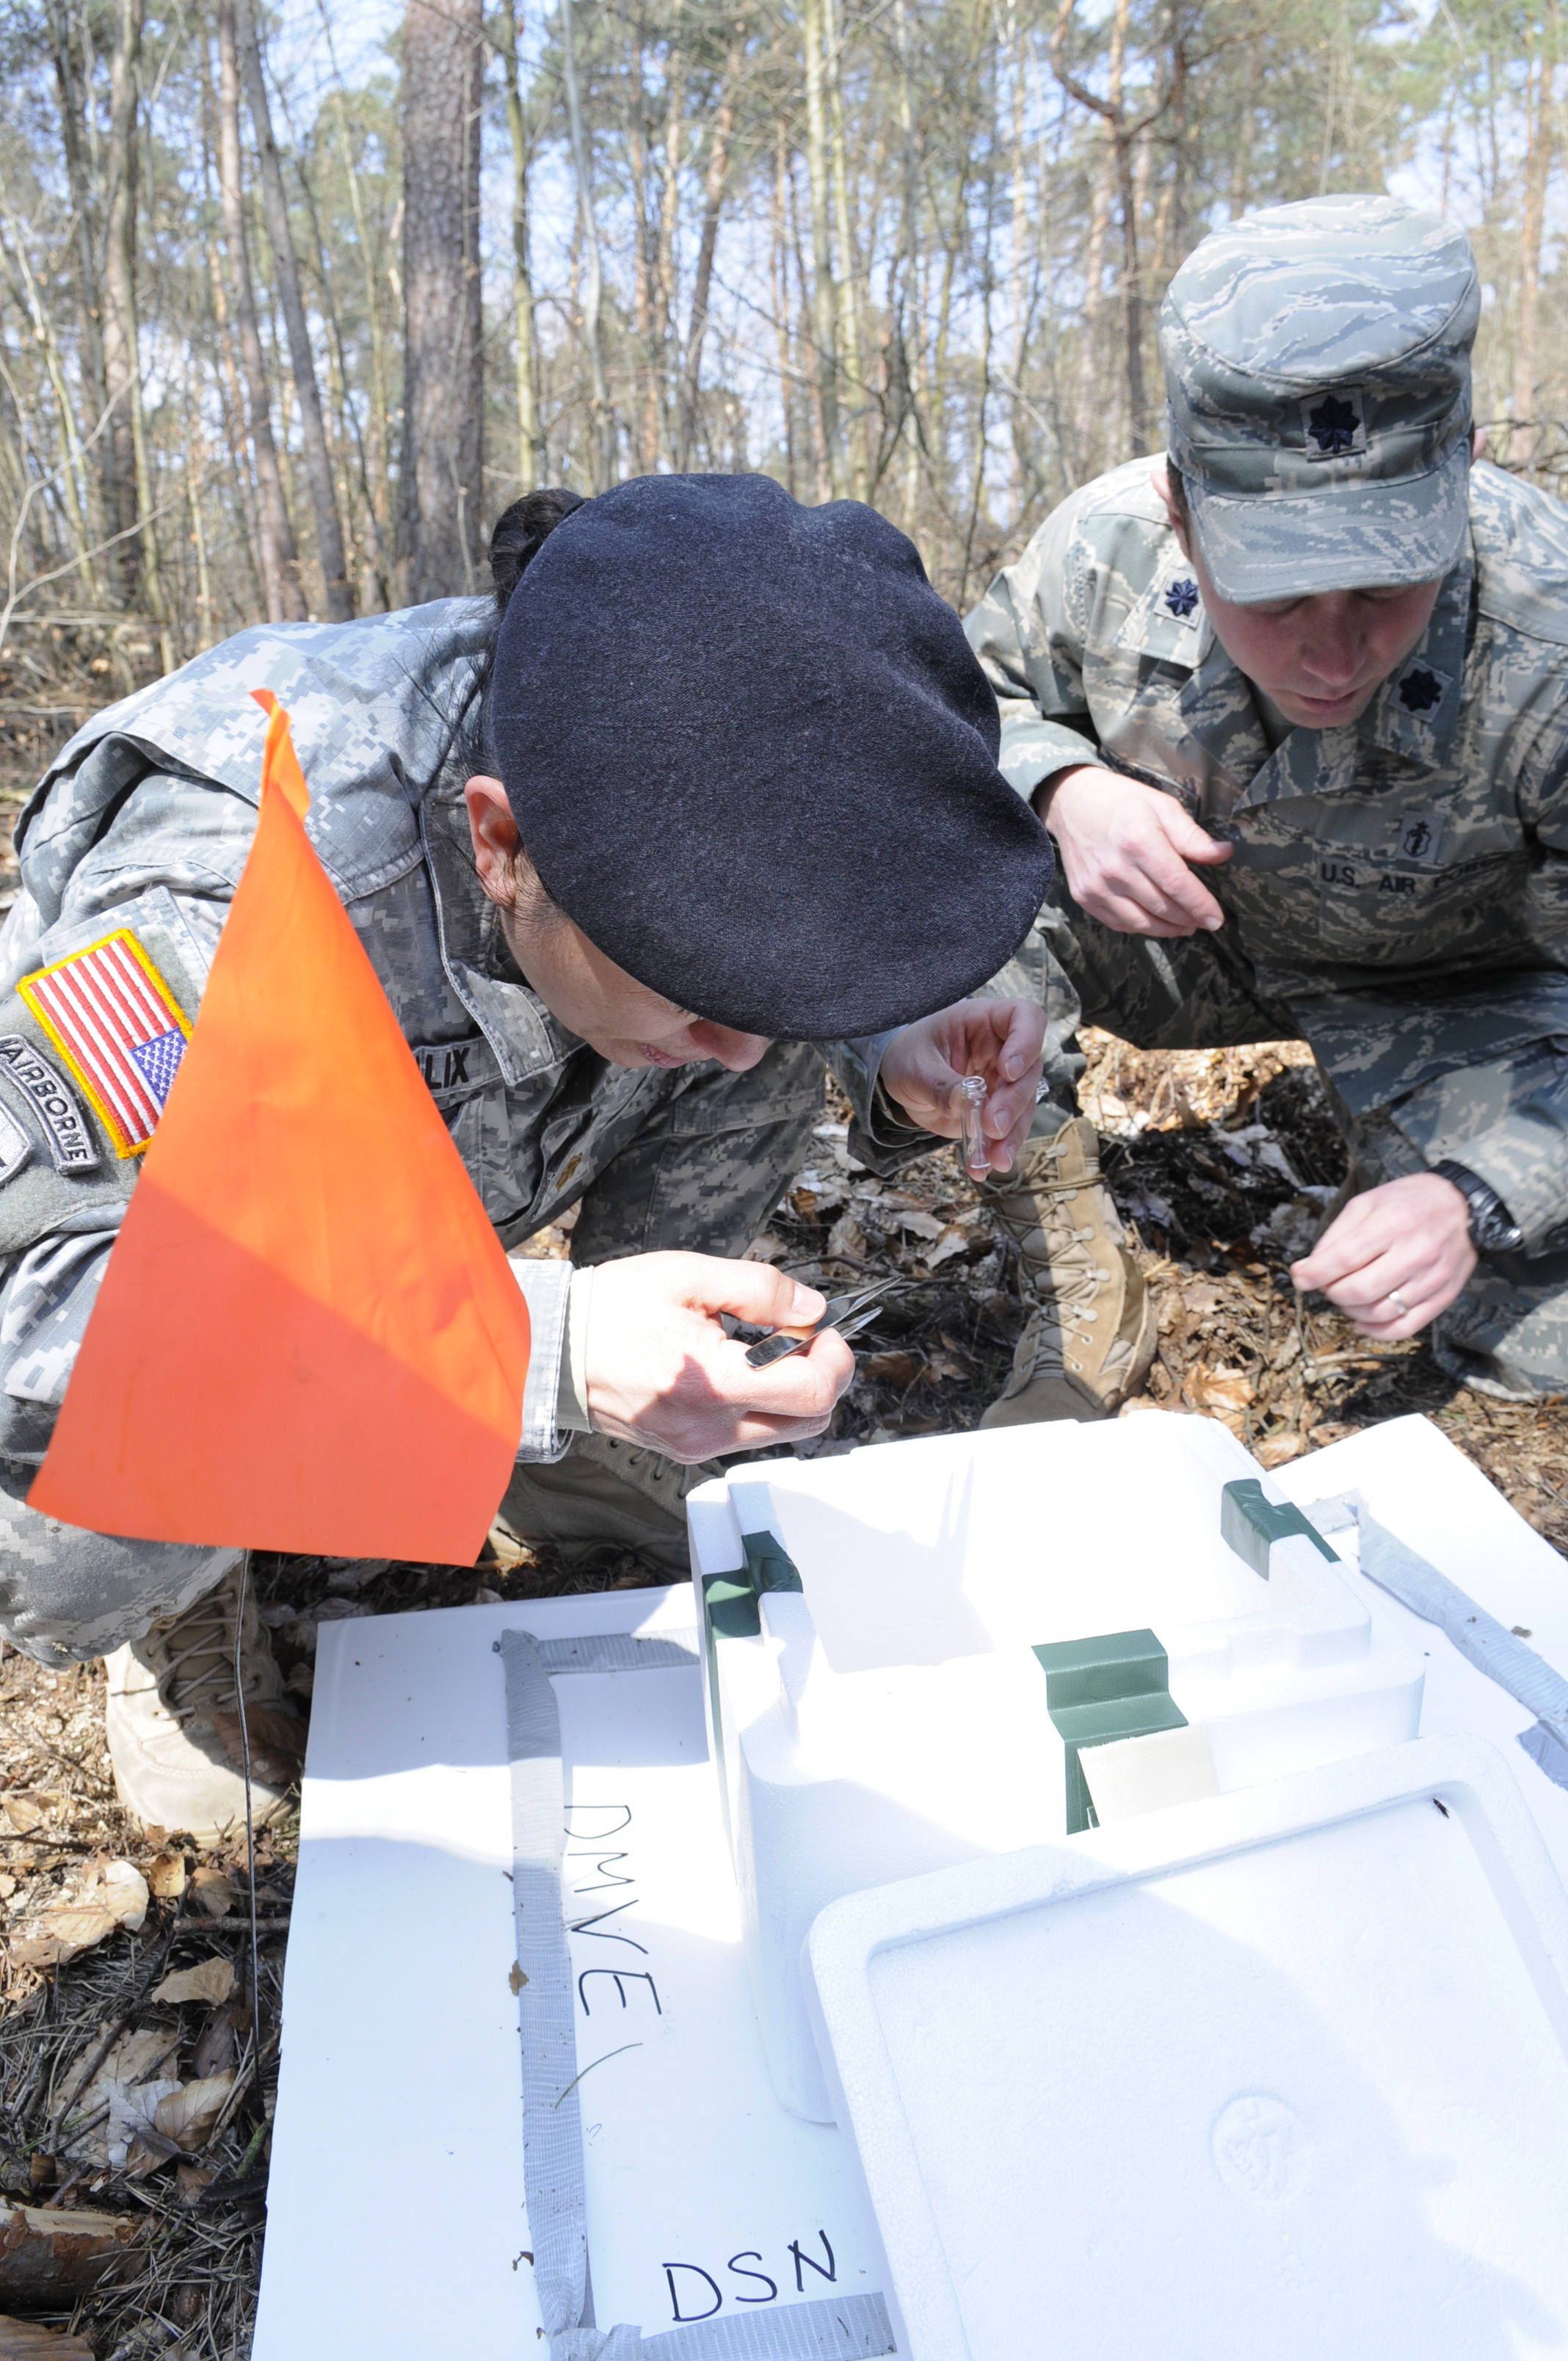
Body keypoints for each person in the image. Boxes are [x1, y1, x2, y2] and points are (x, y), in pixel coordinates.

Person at [0, 471, 1052, 1837]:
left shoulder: (691, 697)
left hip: (457, 1157)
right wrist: (521, 1349)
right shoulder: (231, 886)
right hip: (222, 1208)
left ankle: (601, 1413)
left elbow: (760, 906)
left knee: (724, 1030)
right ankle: (196, 1606)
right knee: (83, 1534)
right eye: (699, 987)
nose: (743, 1050)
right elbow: (24, 1306)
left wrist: (882, 1025)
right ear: (501, 843)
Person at [964, 192, 1568, 1429]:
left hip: (1457, 994)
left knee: (1543, 1346)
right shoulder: (1107, 550)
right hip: (1192, 936)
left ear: (1459, 479)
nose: (1334, 656)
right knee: (952, 901)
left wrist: (1482, 1188)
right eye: (1278, 594)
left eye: (1386, 584)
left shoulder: (1551, 640)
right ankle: (1072, 1277)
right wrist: (1063, 785)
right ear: (1184, 512)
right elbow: (960, 699)